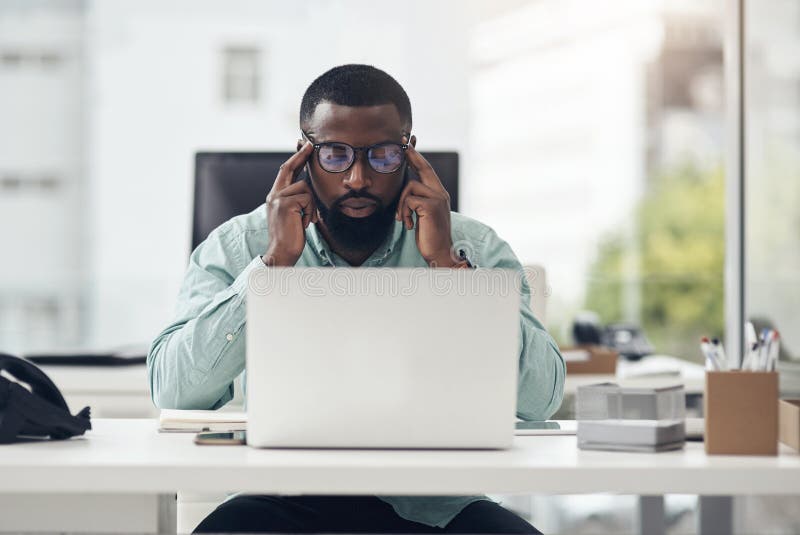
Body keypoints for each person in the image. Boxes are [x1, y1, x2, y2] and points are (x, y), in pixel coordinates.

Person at [147, 64, 565, 534]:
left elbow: (541, 399)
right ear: (303, 155)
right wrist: (272, 267)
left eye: (383, 155)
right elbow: (174, 391)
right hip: (280, 497)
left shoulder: (472, 246)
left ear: (410, 153)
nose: (358, 178)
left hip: (435, 502)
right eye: (334, 154)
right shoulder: (239, 245)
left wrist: (450, 269)